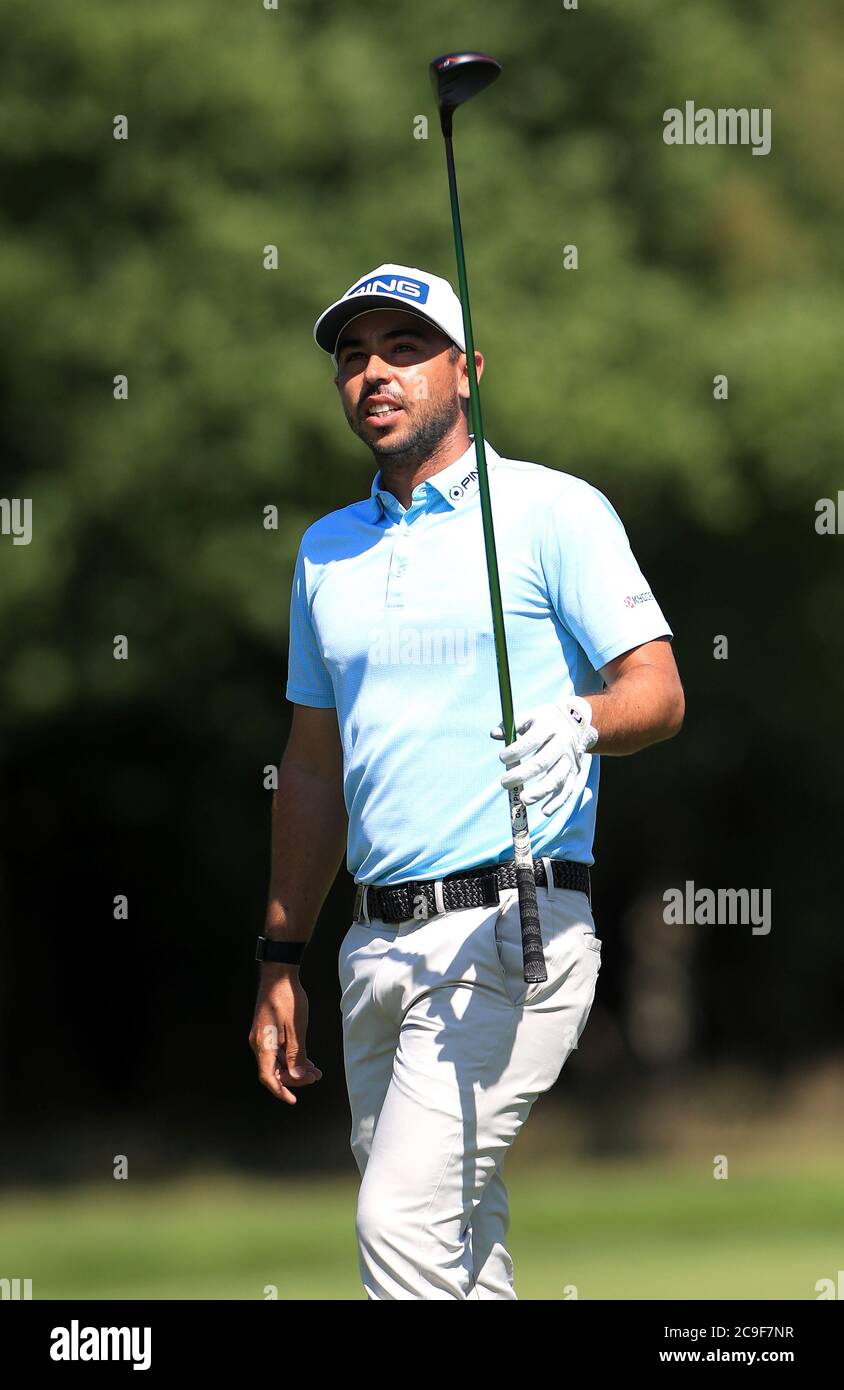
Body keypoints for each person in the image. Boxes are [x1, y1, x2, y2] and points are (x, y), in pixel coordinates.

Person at [249, 262, 685, 1299]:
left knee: (400, 1220)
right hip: (373, 946)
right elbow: (312, 767)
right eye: (353, 355)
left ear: (468, 369)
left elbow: (658, 692)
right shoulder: (324, 552)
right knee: (455, 1245)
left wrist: (580, 721)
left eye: (404, 348)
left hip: (513, 923)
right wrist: (280, 954)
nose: (374, 373)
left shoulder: (549, 511)